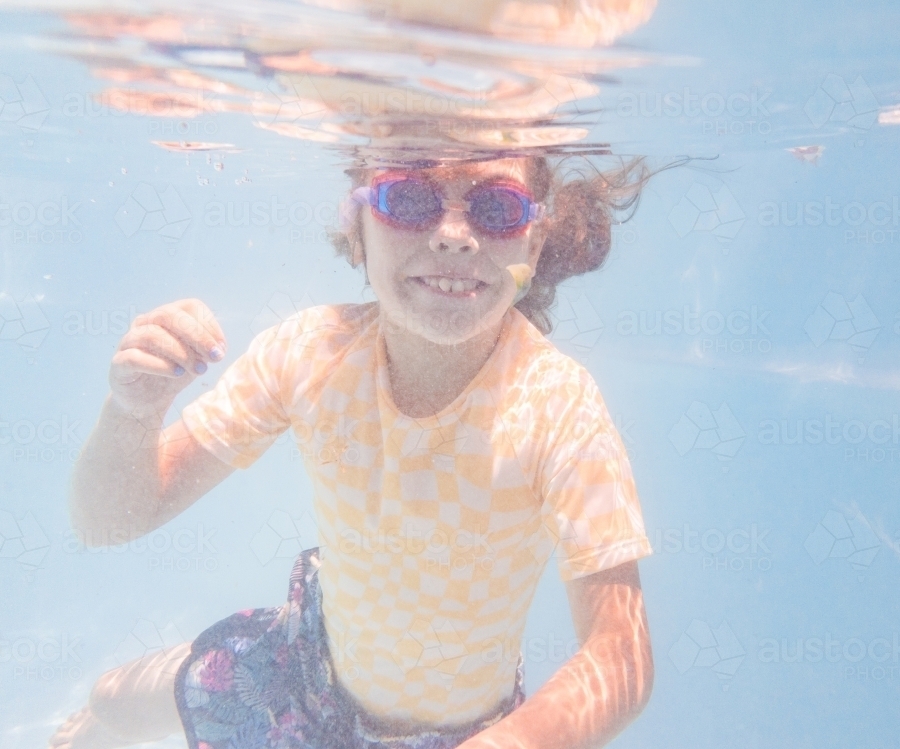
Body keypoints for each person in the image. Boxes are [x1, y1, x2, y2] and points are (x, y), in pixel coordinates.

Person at [50, 152, 656, 749]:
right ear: (356, 227)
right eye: (410, 199)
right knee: (110, 699)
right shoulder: (312, 352)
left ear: (536, 239)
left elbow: (620, 655)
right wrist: (133, 413)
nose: (452, 236)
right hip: (305, 663)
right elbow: (108, 523)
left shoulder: (558, 406)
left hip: (459, 734)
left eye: (497, 208)